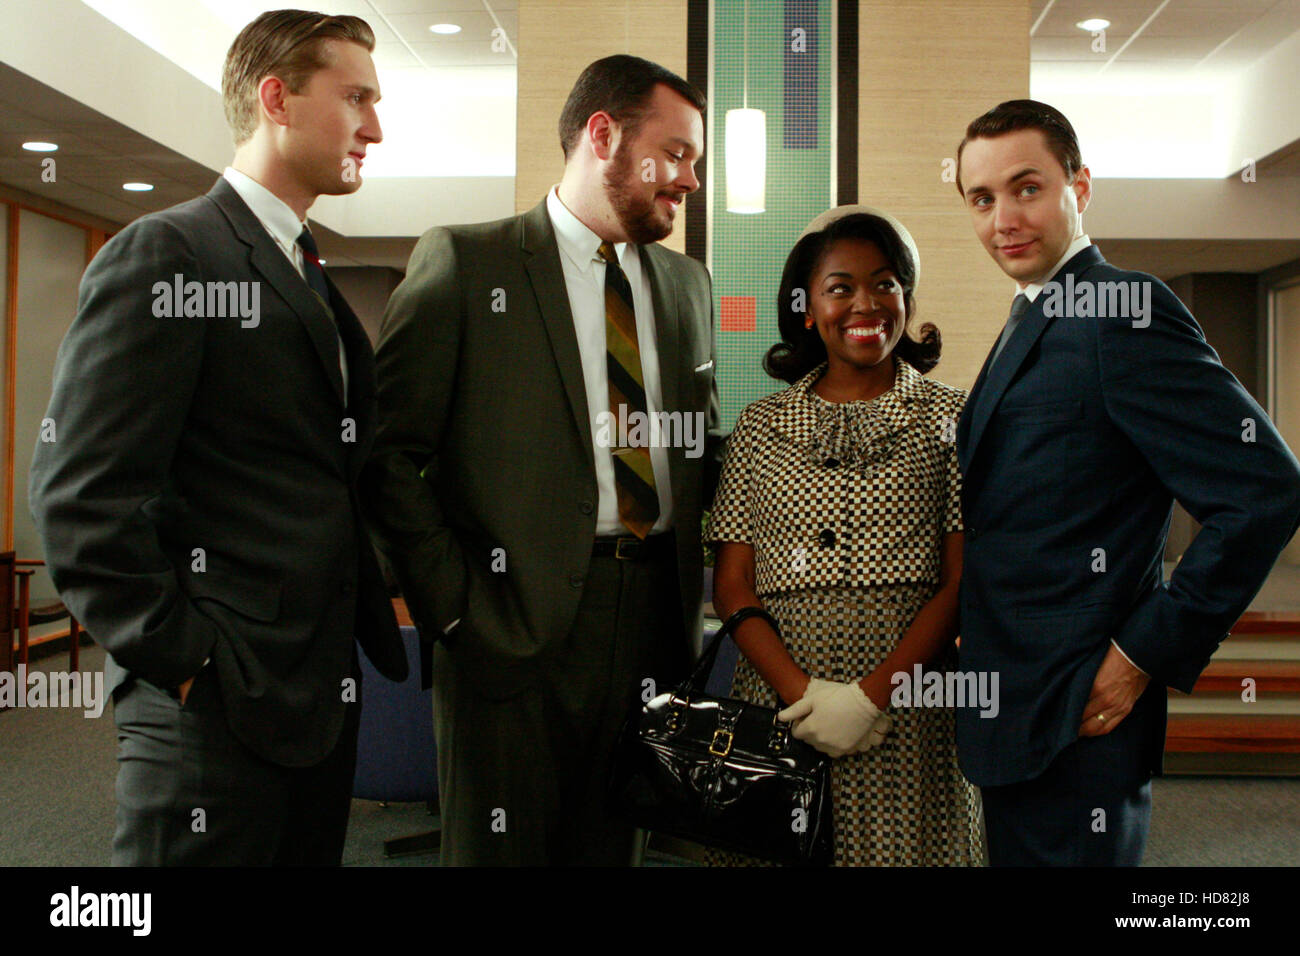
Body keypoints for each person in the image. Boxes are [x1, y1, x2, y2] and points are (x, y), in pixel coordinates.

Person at [28, 10, 407, 866]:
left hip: (312, 695)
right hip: (212, 708)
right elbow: (79, 497)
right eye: (356, 99)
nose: (375, 128)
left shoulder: (304, 266)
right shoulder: (170, 253)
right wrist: (186, 660)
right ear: (277, 98)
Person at [361, 54, 724, 866]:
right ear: (604, 134)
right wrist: (456, 608)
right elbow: (388, 457)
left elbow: (699, 449)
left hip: (654, 627)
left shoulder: (687, 286)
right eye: (676, 154)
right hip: (506, 627)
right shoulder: (468, 264)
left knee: (615, 853)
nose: (690, 180)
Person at [953, 99, 1300, 865]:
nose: (1004, 219)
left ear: (1079, 187)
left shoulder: (1124, 312)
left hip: (1080, 712)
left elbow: (1267, 491)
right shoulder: (1031, 312)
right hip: (1019, 707)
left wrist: (1141, 654)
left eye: (1027, 188)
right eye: (982, 198)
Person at [707, 206, 982, 866]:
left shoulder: (953, 418)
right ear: (806, 308)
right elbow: (733, 585)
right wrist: (806, 696)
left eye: (885, 284)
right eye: (840, 288)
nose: (866, 304)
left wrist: (866, 698)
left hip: (910, 708)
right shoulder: (759, 426)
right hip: (781, 707)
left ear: (906, 299)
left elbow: (962, 580)